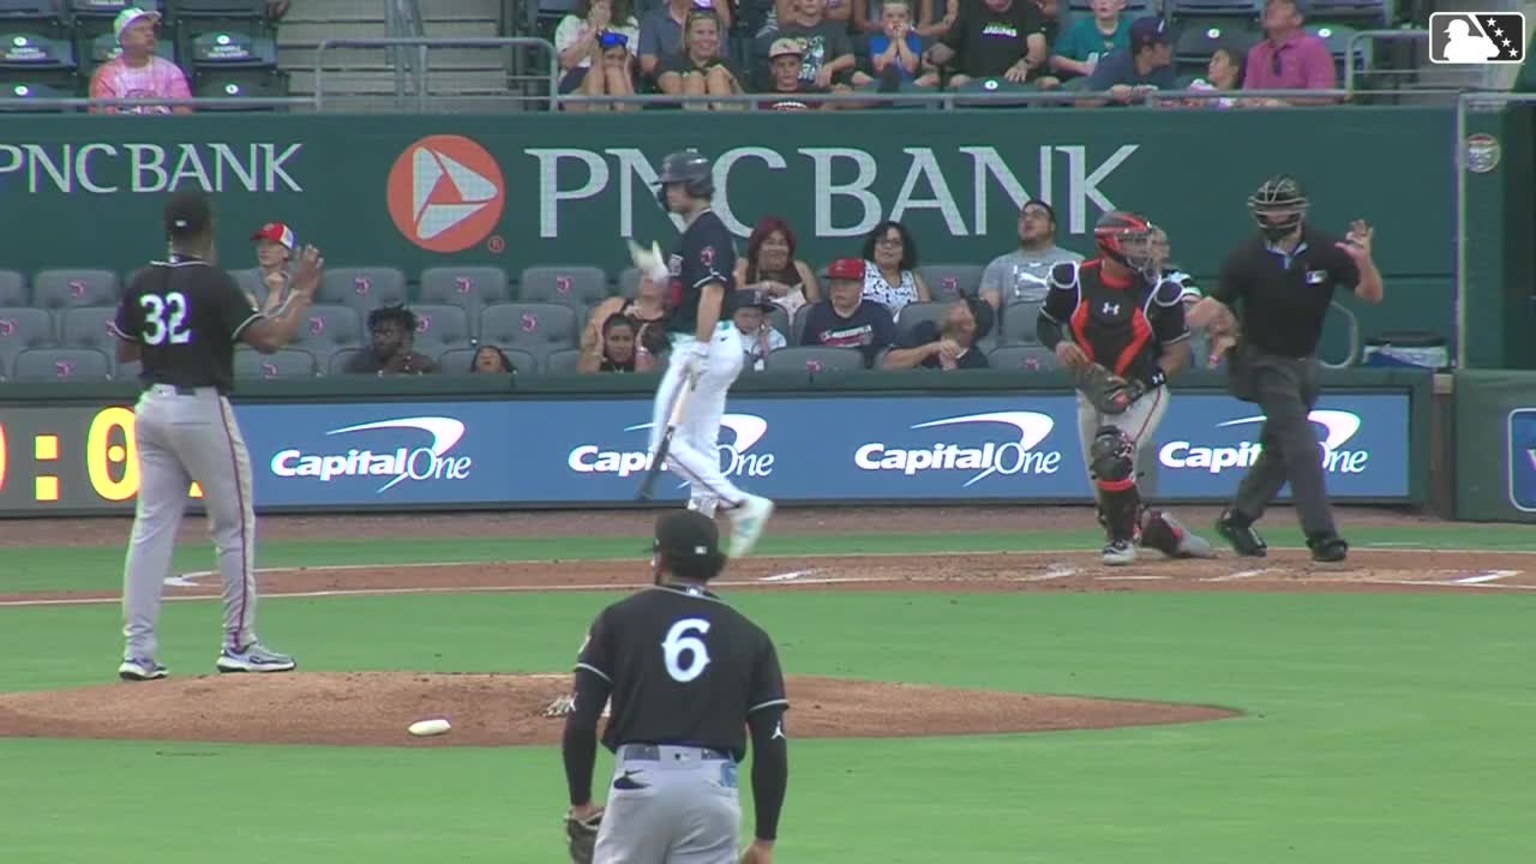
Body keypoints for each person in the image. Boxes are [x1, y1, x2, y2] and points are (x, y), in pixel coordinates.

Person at [111, 190, 320, 681]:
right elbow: (270, 341)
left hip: (151, 406)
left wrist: (181, 337)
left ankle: (138, 652)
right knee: (233, 526)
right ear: (208, 229)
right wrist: (303, 293)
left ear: (168, 232)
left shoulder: (143, 279)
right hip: (200, 406)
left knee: (150, 529)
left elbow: (124, 351)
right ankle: (239, 643)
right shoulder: (213, 282)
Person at [560, 510, 788, 864]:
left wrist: (581, 803)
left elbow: (580, 722)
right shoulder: (752, 637)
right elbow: (772, 743)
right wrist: (764, 840)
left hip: (639, 785)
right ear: (714, 563)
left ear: (659, 558)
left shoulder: (618, 619)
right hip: (714, 793)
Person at [1189, 175, 1383, 563]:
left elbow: (1371, 295)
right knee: (1303, 447)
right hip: (1261, 361)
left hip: (1306, 362)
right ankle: (1323, 536)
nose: (1274, 217)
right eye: (1268, 211)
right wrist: (1174, 322)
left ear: (1298, 212)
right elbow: (1212, 305)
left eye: (1281, 209)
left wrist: (1363, 261)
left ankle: (1238, 517)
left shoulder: (1328, 251)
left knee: (1279, 447)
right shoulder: (1246, 258)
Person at [1036, 211, 1215, 566]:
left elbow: (1176, 356)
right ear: (1109, 244)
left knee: (1112, 451)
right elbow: (1047, 323)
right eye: (1132, 242)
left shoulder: (1161, 292)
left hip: (1143, 391)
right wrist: (1059, 344)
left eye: (1143, 242)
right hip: (1092, 390)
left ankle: (1121, 543)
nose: (1142, 250)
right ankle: (1170, 535)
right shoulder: (1073, 280)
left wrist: (1139, 386)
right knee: (1109, 502)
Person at [634, 149, 775, 557]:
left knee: (663, 446)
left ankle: (741, 505)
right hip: (714, 344)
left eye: (674, 185)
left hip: (704, 347)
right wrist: (660, 274)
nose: (668, 193)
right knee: (701, 446)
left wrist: (698, 348)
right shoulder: (694, 232)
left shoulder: (708, 231)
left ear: (694, 186)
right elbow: (690, 291)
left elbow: (714, 293)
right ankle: (698, 534)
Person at [979, 199, 1084, 308]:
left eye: (1037, 216)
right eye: (1023, 217)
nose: (1028, 220)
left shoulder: (1075, 262)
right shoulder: (999, 265)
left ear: (1052, 226)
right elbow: (987, 311)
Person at [89, 8, 192, 115]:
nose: (149, 34)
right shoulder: (106, 74)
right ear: (123, 39)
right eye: (141, 30)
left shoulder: (170, 71)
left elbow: (184, 116)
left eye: (150, 29)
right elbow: (103, 119)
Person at [800, 257, 898, 367]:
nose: (839, 289)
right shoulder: (816, 315)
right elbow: (806, 356)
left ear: (861, 286)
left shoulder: (878, 313)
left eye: (845, 284)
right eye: (835, 284)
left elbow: (890, 356)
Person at [1240, 0, 1337, 106]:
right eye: (1269, 6)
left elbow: (1324, 96)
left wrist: (1282, 102)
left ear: (1297, 19)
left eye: (1282, 7)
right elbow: (1248, 94)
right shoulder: (1257, 52)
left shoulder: (1313, 47)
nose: (1271, 10)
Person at [734, 216, 822, 315]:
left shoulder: (801, 269)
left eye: (782, 243)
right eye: (770, 243)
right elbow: (733, 295)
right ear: (757, 248)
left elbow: (815, 308)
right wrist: (767, 286)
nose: (777, 248)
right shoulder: (744, 265)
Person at [881, 297, 993, 370]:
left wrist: (950, 367)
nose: (951, 307)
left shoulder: (977, 363)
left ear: (969, 326)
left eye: (960, 309)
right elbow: (888, 364)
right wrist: (930, 348)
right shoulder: (925, 330)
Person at [1086, 15, 1175, 104]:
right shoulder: (1113, 64)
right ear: (1146, 51)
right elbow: (1082, 102)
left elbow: (1173, 100)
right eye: (1164, 46)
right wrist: (1110, 95)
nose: (1170, 48)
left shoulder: (1164, 67)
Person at [860, 220, 931, 317]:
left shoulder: (913, 278)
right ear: (873, 247)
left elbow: (926, 312)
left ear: (904, 250)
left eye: (896, 243)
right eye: (883, 242)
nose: (888, 246)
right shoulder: (860, 270)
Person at [344, 305, 440, 376]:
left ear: (406, 335)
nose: (380, 339)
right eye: (376, 333)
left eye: (388, 333)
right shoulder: (360, 364)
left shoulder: (423, 364)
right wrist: (389, 370)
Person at [734, 289, 788, 371]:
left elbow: (776, 366)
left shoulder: (775, 337)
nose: (750, 321)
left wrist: (763, 339)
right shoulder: (724, 336)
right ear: (734, 316)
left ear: (763, 318)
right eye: (745, 316)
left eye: (756, 316)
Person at [250, 221, 294, 314]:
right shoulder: (246, 280)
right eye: (260, 244)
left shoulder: (297, 278)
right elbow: (263, 321)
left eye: (271, 244)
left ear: (286, 252)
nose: (263, 250)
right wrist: (275, 292)